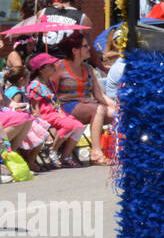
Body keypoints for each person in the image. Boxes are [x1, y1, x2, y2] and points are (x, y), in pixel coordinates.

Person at [53, 31, 114, 165]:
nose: (89, 49)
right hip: (67, 106)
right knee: (97, 109)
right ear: (75, 50)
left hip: (87, 105)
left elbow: (100, 95)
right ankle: (96, 153)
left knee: (114, 113)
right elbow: (51, 92)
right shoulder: (59, 67)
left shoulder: (88, 68)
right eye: (85, 46)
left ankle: (115, 150)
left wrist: (115, 106)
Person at [25, 52, 85, 168]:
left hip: (56, 113)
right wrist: (39, 123)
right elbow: (35, 108)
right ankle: (53, 150)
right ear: (41, 70)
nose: (54, 67)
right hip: (45, 115)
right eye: (50, 65)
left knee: (79, 126)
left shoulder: (50, 83)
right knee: (70, 125)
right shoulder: (35, 86)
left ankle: (65, 156)